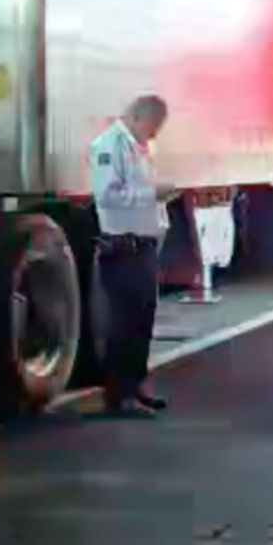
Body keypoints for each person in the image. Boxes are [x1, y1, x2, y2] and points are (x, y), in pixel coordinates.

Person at [89, 94, 175, 418]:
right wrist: (153, 193)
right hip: (123, 248)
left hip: (143, 247)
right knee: (123, 323)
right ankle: (118, 394)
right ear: (138, 117)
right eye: (153, 127)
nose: (154, 135)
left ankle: (135, 387)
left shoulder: (139, 148)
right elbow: (108, 196)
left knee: (142, 320)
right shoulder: (109, 146)